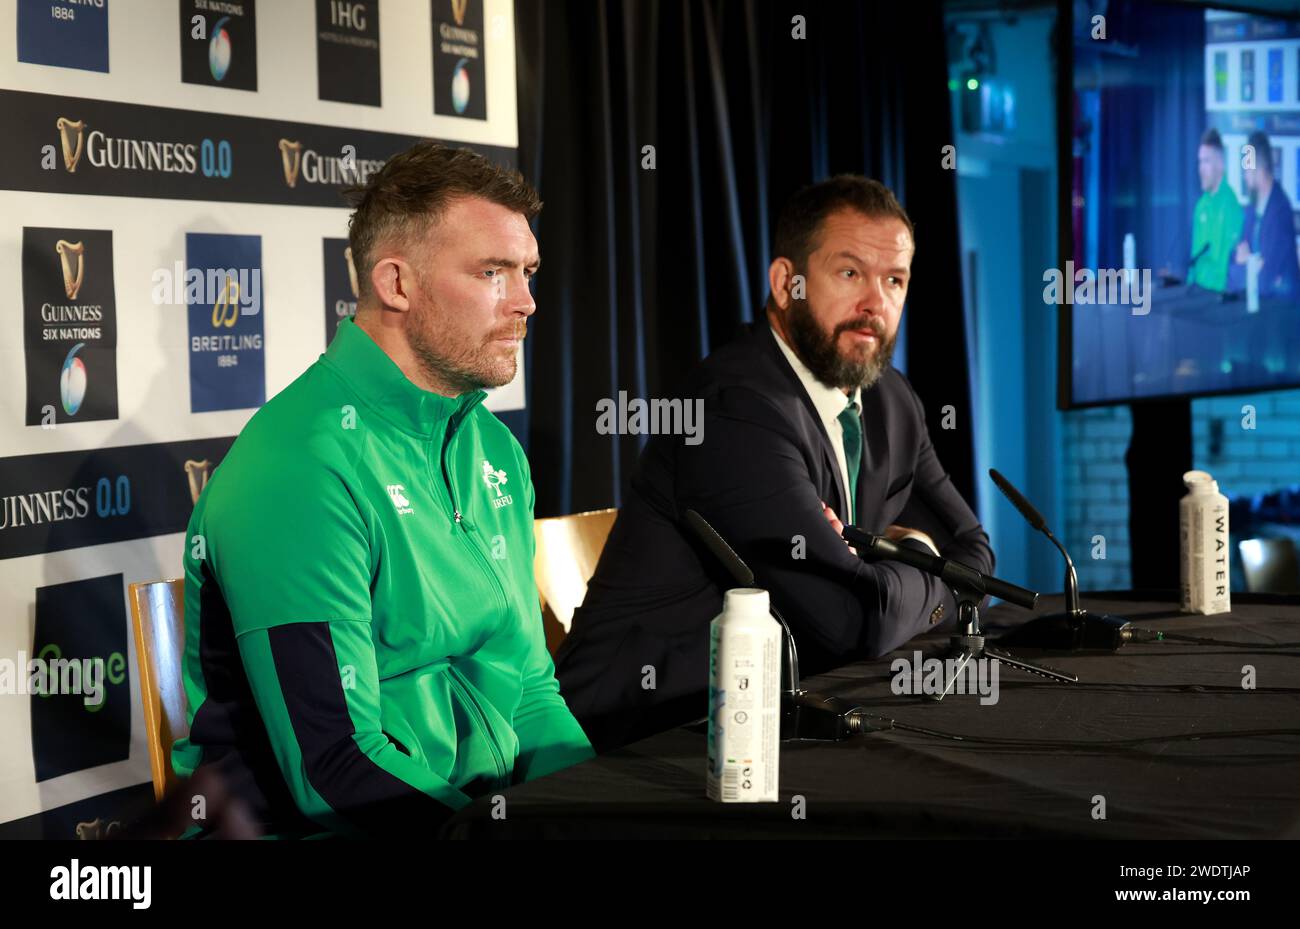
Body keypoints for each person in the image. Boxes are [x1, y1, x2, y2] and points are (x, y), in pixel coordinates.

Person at [172, 142, 593, 837]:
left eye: (527, 272)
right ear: (396, 284)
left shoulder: (494, 449)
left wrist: (597, 810)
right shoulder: (298, 466)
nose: (526, 302)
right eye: (493, 272)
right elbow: (332, 767)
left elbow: (529, 691)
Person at [554, 175, 994, 751]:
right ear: (789, 283)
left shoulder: (892, 401)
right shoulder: (732, 408)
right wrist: (921, 557)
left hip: (774, 715)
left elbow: (975, 561)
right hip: (644, 736)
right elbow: (851, 621)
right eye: (849, 273)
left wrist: (905, 576)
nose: (875, 304)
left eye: (894, 280)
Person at [1229, 130, 1300, 299]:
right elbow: (1232, 269)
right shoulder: (1251, 210)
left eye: (1246, 170)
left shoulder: (1280, 211)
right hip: (1257, 307)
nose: (1244, 176)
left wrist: (1246, 263)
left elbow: (1266, 281)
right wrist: (1251, 263)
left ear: (1258, 170)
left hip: (1282, 311)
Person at [1187, 128, 1244, 293]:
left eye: (1206, 161)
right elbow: (1194, 258)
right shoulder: (1200, 206)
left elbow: (1228, 267)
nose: (1201, 169)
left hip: (1217, 297)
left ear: (1220, 164)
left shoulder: (1231, 206)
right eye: (1199, 162)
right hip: (1196, 292)